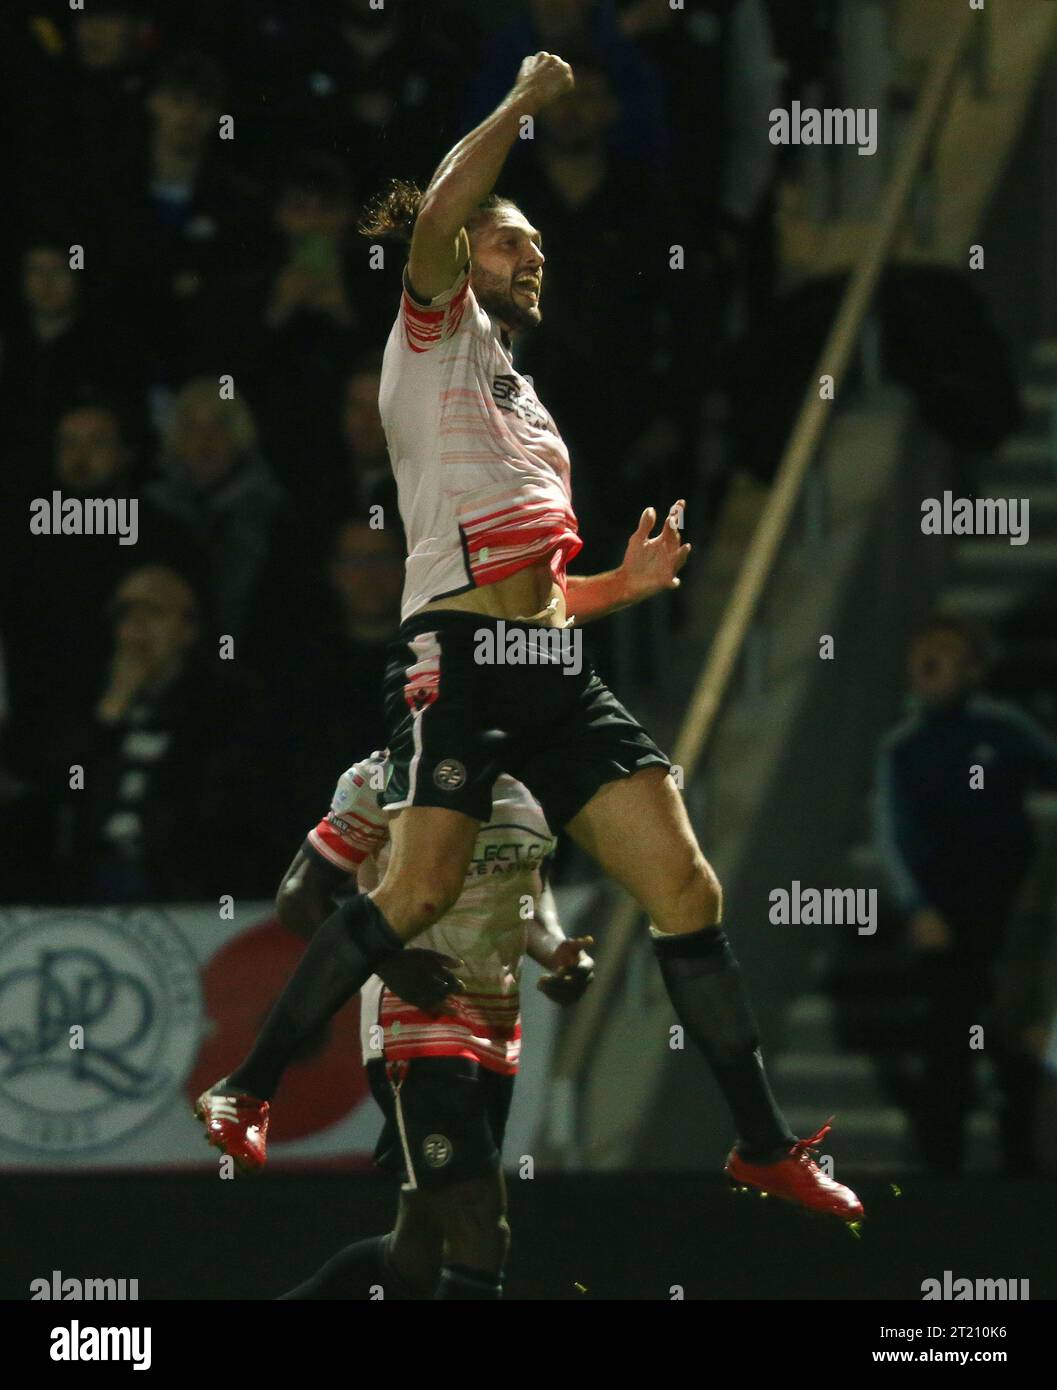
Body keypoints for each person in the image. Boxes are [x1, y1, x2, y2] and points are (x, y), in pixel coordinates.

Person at [203, 52, 863, 1250]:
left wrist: (625, 585)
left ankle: (762, 1144)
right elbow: (451, 205)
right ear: (461, 253)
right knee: (415, 890)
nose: (530, 255)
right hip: (454, 649)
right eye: (511, 241)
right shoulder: (431, 330)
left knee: (685, 885)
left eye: (533, 249)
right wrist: (516, 107)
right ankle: (246, 1086)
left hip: (550, 664)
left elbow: (544, 588)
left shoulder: (526, 402)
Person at [197, 750, 593, 1300]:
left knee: (420, 1244)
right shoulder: (382, 777)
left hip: (496, 1028)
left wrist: (558, 953)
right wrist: (387, 961)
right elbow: (298, 898)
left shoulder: (534, 775)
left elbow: (530, 886)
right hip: (414, 1026)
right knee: (479, 1223)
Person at [876, 613, 1057, 1173]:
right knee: (947, 1049)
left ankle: (1023, 1170)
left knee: (1016, 1046)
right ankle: (942, 1178)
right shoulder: (904, 748)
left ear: (974, 667)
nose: (930, 661)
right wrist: (918, 906)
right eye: (921, 651)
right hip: (946, 919)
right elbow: (892, 833)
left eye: (946, 651)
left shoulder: (1003, 728)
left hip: (1012, 917)